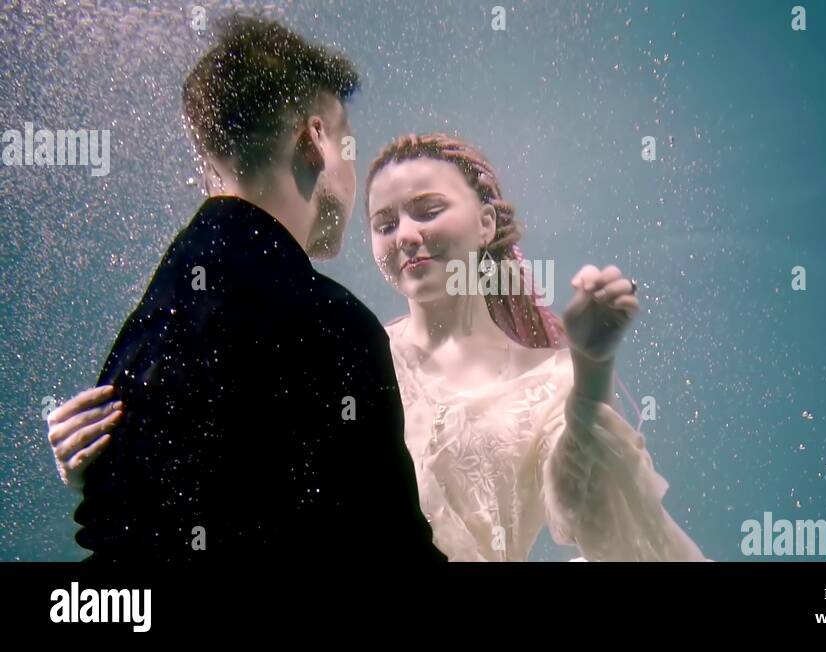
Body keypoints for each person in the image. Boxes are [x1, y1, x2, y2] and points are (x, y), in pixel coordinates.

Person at [52, 132, 705, 562]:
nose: (406, 235)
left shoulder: (550, 380)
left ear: (486, 222)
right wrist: (107, 462)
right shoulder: (340, 348)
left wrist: (592, 367)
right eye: (385, 223)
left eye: (427, 209)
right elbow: (233, 480)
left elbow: (595, 515)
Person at [49, 15, 444, 562]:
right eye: (349, 144)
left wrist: (101, 480)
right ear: (316, 139)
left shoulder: (148, 328)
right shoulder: (334, 326)